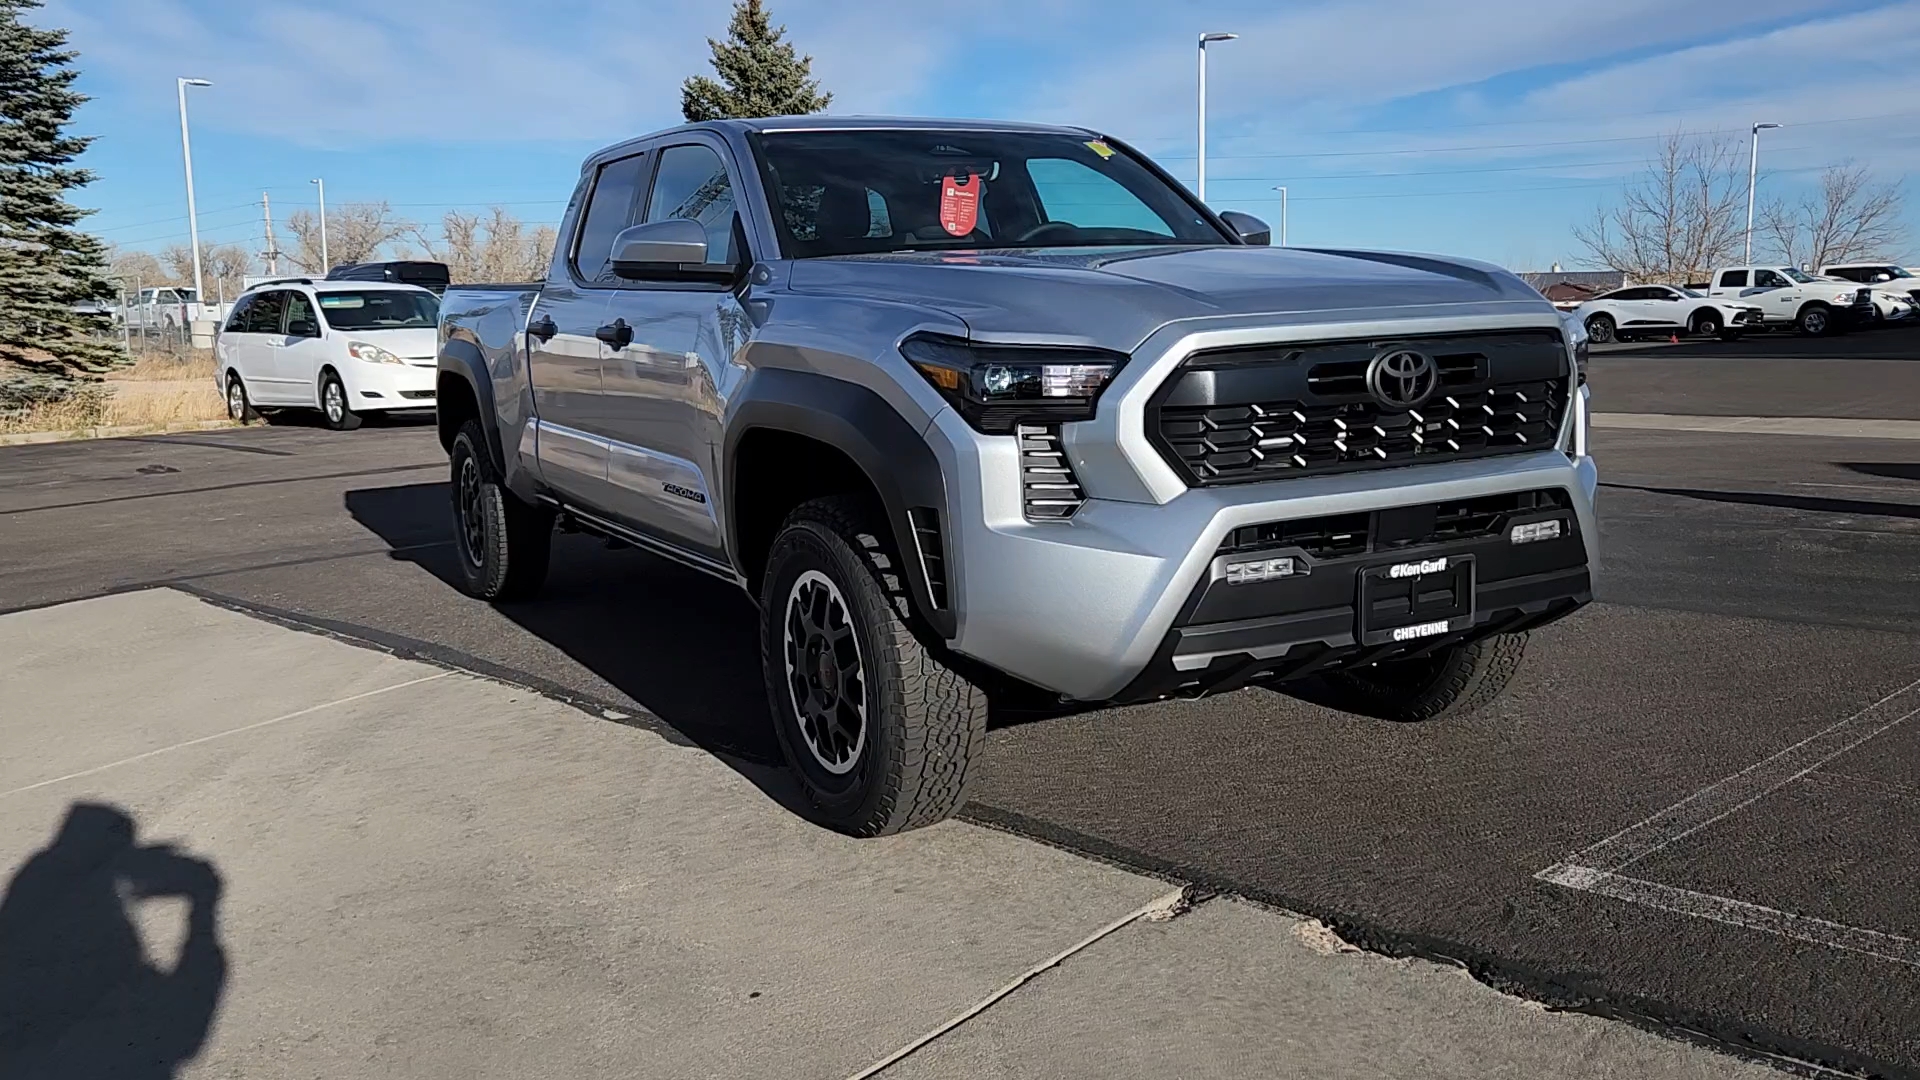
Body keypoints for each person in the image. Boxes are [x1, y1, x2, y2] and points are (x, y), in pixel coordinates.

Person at [0, 802, 227, 1079]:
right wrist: (204, 908)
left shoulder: (38, 879)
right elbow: (193, 1013)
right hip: (104, 1048)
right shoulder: (77, 889)